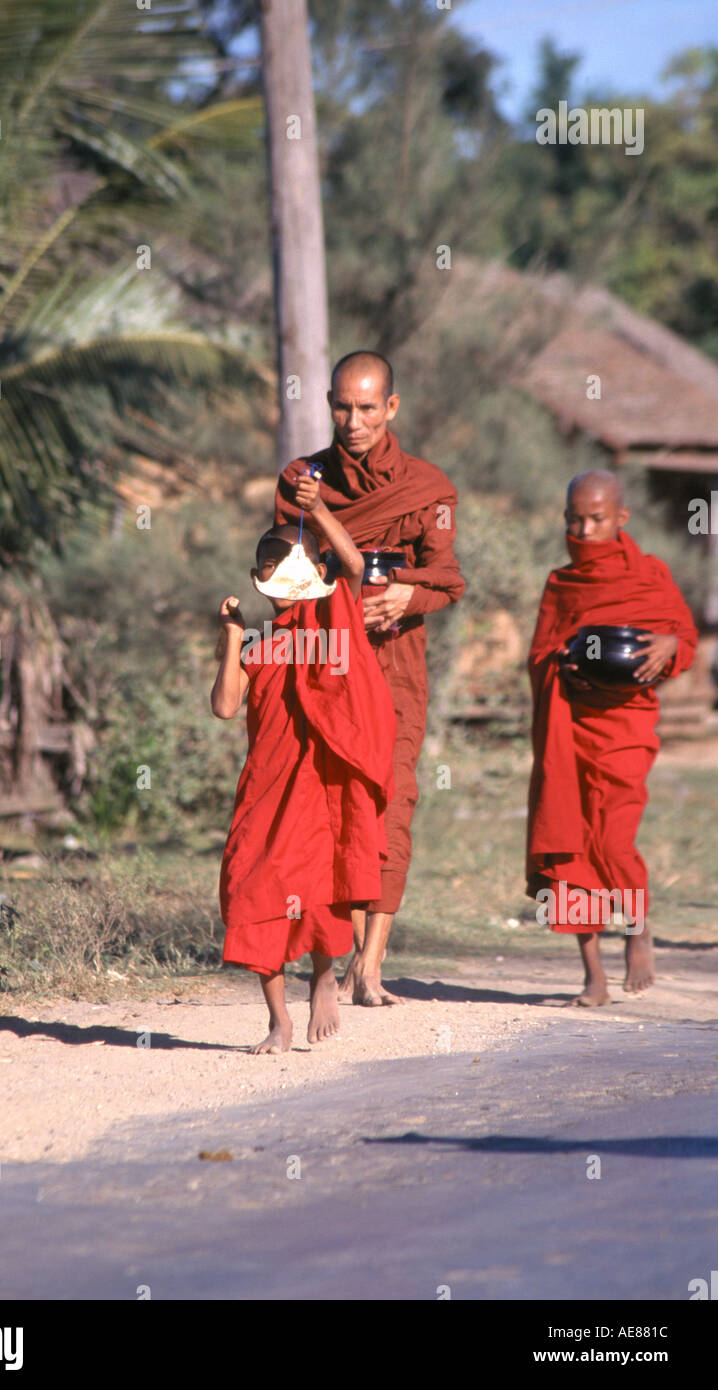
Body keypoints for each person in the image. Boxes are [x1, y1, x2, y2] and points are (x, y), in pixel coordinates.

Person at [275, 351, 464, 1006]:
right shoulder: (301, 480)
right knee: (338, 806)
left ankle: (371, 964)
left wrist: (409, 599)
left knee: (395, 801)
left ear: (391, 408)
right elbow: (281, 577)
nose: (352, 421)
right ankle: (348, 951)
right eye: (341, 407)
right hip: (327, 662)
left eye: (366, 408)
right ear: (329, 404)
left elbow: (447, 581)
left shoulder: (429, 489)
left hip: (396, 666)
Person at [213, 470, 395, 1053]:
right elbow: (223, 706)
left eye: (296, 564)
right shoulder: (258, 643)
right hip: (265, 788)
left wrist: (315, 513)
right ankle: (277, 1020)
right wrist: (231, 637)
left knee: (318, 886)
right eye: (270, 566)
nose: (282, 576)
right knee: (249, 889)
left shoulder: (334, 614)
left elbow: (355, 562)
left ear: (319, 573)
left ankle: (321, 977)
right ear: (256, 579)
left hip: (318, 786)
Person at [526, 469, 698, 1005]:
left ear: (621, 518)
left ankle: (638, 927)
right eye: (574, 519)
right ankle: (592, 974)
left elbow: (682, 638)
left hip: (625, 723)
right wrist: (562, 665)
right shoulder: (562, 583)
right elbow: (538, 653)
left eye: (596, 519)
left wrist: (669, 647)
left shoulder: (649, 574)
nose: (584, 529)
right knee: (572, 844)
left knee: (613, 838)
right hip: (570, 724)